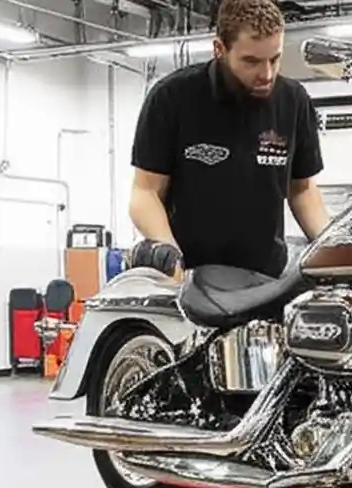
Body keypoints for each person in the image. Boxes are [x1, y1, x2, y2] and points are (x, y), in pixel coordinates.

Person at [126, 0, 330, 279]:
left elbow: (302, 190)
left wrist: (333, 252)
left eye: (274, 59)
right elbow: (145, 194)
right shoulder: (172, 98)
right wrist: (172, 260)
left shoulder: (293, 101)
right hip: (191, 280)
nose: (266, 74)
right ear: (219, 49)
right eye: (251, 61)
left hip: (264, 280)